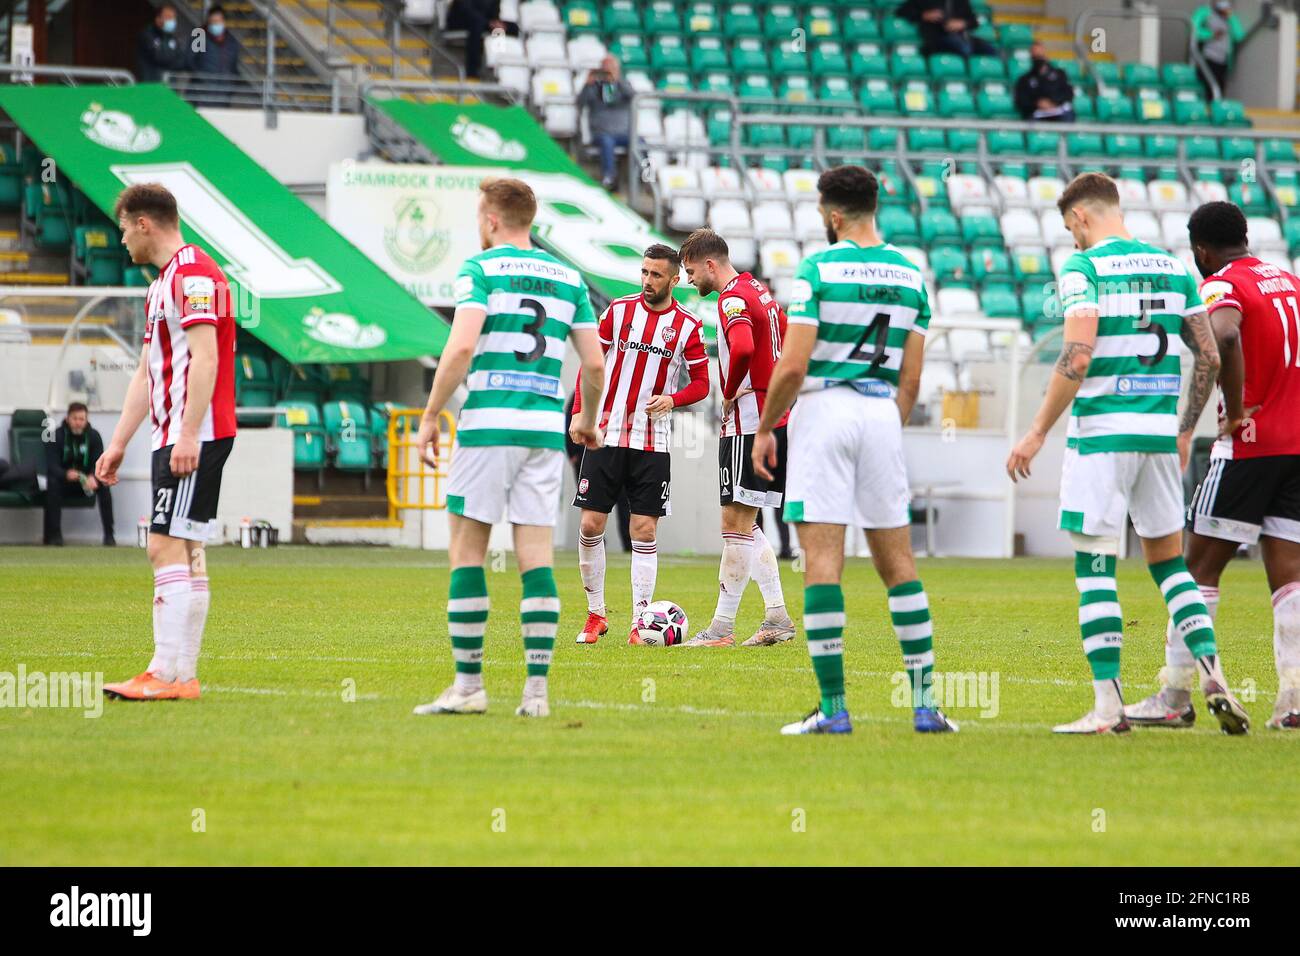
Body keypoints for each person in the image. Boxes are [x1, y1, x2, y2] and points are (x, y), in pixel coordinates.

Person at [1006, 172, 1248, 735]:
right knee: (1170, 566)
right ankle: (1213, 674)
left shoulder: (1084, 270)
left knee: (1095, 567)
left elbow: (1078, 354)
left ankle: (1107, 708)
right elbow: (1208, 356)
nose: (1072, 239)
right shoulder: (1173, 266)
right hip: (1160, 436)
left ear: (1083, 217)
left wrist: (1038, 431)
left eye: (1071, 228)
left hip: (1101, 438)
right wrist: (1186, 428)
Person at [752, 166, 957, 736]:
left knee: (823, 562)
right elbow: (911, 381)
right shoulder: (910, 273)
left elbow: (792, 365)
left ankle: (834, 709)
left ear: (834, 215)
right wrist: (881, 426)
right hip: (880, 414)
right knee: (899, 565)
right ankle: (924, 706)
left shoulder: (819, 267)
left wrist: (768, 427)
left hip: (824, 410)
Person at [412, 177, 605, 719]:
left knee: (467, 552)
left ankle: (469, 686)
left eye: (479, 215)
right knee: (536, 558)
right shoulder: (569, 279)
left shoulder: (479, 270)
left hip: (487, 427)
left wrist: (430, 416)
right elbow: (593, 364)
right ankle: (537, 695)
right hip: (543, 431)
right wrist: (586, 420)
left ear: (492, 220)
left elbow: (464, 344)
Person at [1126, 202, 1300, 731]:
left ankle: (1176, 693)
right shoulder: (1289, 281)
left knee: (1193, 569)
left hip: (1248, 445)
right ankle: (1292, 700)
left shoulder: (1222, 284)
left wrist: (1234, 405)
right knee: (1290, 578)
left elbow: (1221, 338)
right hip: (1297, 448)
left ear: (1200, 250)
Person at [96, 183, 238, 702]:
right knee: (189, 548)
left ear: (143, 223)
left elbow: (208, 357)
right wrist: (117, 443)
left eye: (122, 230)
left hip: (191, 434)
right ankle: (182, 676)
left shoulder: (194, 272)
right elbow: (146, 374)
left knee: (162, 546)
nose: (121, 243)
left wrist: (185, 434)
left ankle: (164, 673)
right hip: (179, 433)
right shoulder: (162, 285)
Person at [573, 244, 709, 645]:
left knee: (644, 530)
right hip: (605, 435)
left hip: (652, 443)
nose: (647, 280)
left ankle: (639, 621)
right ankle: (595, 613)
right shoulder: (617, 312)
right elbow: (590, 365)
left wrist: (674, 399)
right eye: (644, 272)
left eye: (656, 274)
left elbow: (701, 384)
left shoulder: (688, 326)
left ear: (674, 279)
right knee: (590, 524)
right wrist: (581, 415)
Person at [679, 228, 796, 648]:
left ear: (711, 264)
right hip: (774, 417)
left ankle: (721, 630)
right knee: (749, 522)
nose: (690, 280)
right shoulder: (758, 289)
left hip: (750, 421)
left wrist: (728, 392)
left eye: (691, 271)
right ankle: (777, 618)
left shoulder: (731, 298)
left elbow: (744, 348)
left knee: (734, 522)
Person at [43, 402, 115, 547]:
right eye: (75, 418)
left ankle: (109, 536)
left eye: (81, 419)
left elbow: (98, 463)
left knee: (104, 485)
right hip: (64, 482)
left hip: (86, 483)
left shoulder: (94, 436)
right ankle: (55, 536)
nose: (78, 422)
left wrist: (93, 477)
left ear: (86, 420)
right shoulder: (55, 435)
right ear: (68, 418)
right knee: (52, 483)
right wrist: (65, 474)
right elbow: (51, 465)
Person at [576, 56, 635, 191]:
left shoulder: (624, 84)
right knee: (607, 141)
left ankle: (645, 176)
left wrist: (617, 80)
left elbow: (633, 96)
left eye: (611, 68)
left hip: (623, 133)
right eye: (605, 68)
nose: (607, 72)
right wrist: (587, 84)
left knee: (640, 142)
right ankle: (609, 178)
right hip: (601, 133)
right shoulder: (594, 86)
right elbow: (580, 103)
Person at [446, 0, 519, 80]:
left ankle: (499, 63)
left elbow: (494, 13)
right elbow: (466, 9)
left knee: (512, 27)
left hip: (482, 22)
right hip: (460, 21)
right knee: (477, 26)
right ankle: (471, 72)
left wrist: (496, 23)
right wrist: (488, 23)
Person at [897, 0, 997, 58]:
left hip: (962, 36)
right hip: (937, 37)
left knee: (991, 50)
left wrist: (962, 23)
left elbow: (974, 22)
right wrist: (924, 15)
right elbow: (902, 11)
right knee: (964, 49)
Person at [1191, 0, 1245, 100]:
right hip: (1207, 58)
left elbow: (1239, 36)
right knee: (1207, 89)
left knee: (1220, 90)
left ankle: (1216, 110)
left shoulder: (1229, 17)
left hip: (1223, 61)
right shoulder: (1204, 12)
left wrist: (1230, 16)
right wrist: (1211, 35)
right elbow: (1192, 30)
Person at [189, 4, 240, 105]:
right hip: (200, 96)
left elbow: (233, 67)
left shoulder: (231, 42)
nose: (215, 24)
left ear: (224, 22)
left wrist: (230, 87)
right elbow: (189, 60)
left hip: (223, 97)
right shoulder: (200, 37)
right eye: (212, 22)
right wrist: (202, 78)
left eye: (218, 21)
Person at [1014, 42, 1075, 122]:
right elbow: (1021, 101)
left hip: (1058, 110)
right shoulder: (1024, 79)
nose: (1039, 60)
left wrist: (1053, 102)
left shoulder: (1060, 74)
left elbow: (1068, 94)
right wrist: (1037, 103)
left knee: (1068, 116)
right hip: (1036, 113)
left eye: (1040, 56)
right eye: (1036, 56)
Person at [136, 2, 187, 82]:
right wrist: (174, 55)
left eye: (173, 18)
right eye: (168, 17)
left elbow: (181, 61)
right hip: (151, 84)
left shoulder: (173, 38)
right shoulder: (147, 35)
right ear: (158, 19)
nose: (172, 21)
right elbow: (159, 56)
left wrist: (173, 57)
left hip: (169, 85)